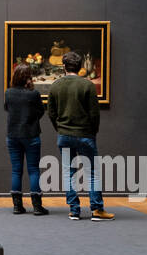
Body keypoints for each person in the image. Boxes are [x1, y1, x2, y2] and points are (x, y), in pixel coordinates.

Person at [47, 51, 112, 221]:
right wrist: (93, 132)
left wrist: (59, 128)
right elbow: (94, 114)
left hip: (64, 134)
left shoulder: (55, 85)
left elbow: (51, 113)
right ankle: (97, 210)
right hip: (85, 135)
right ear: (80, 66)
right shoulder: (87, 85)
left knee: (69, 172)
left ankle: (74, 210)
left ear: (63, 66)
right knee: (92, 172)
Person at [5, 62, 48, 215]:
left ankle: (17, 206)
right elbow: (41, 112)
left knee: (16, 171)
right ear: (28, 77)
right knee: (33, 170)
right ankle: (37, 207)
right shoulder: (33, 94)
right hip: (31, 135)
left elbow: (7, 108)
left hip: (13, 136)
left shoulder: (8, 93)